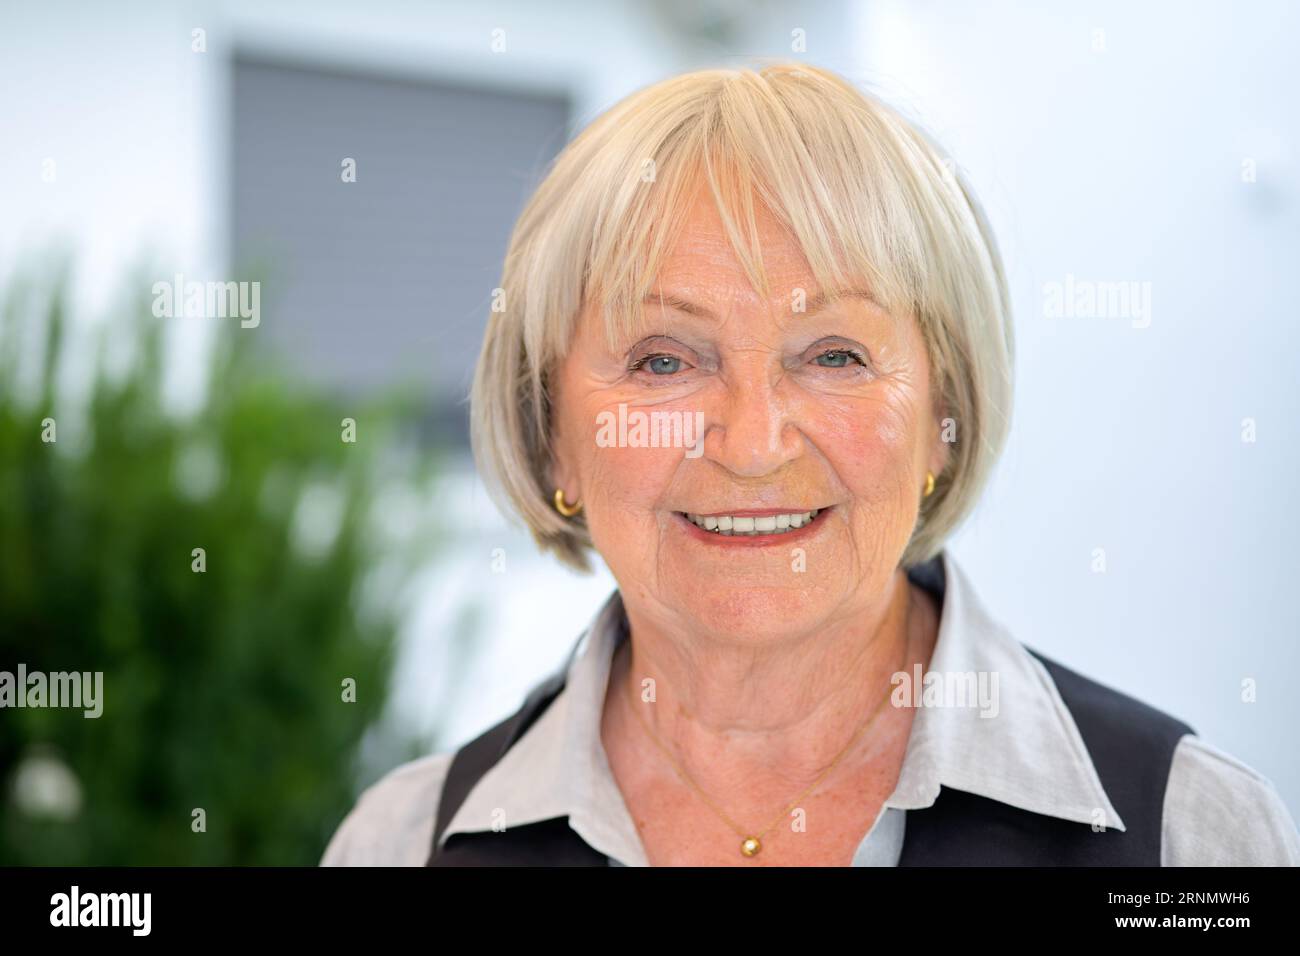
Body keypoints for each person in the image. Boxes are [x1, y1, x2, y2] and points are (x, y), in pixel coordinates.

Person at [323, 62, 1299, 866]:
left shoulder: (1189, 838)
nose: (753, 445)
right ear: (551, 433)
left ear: (943, 418)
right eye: (663, 360)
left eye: (834, 355)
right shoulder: (399, 847)